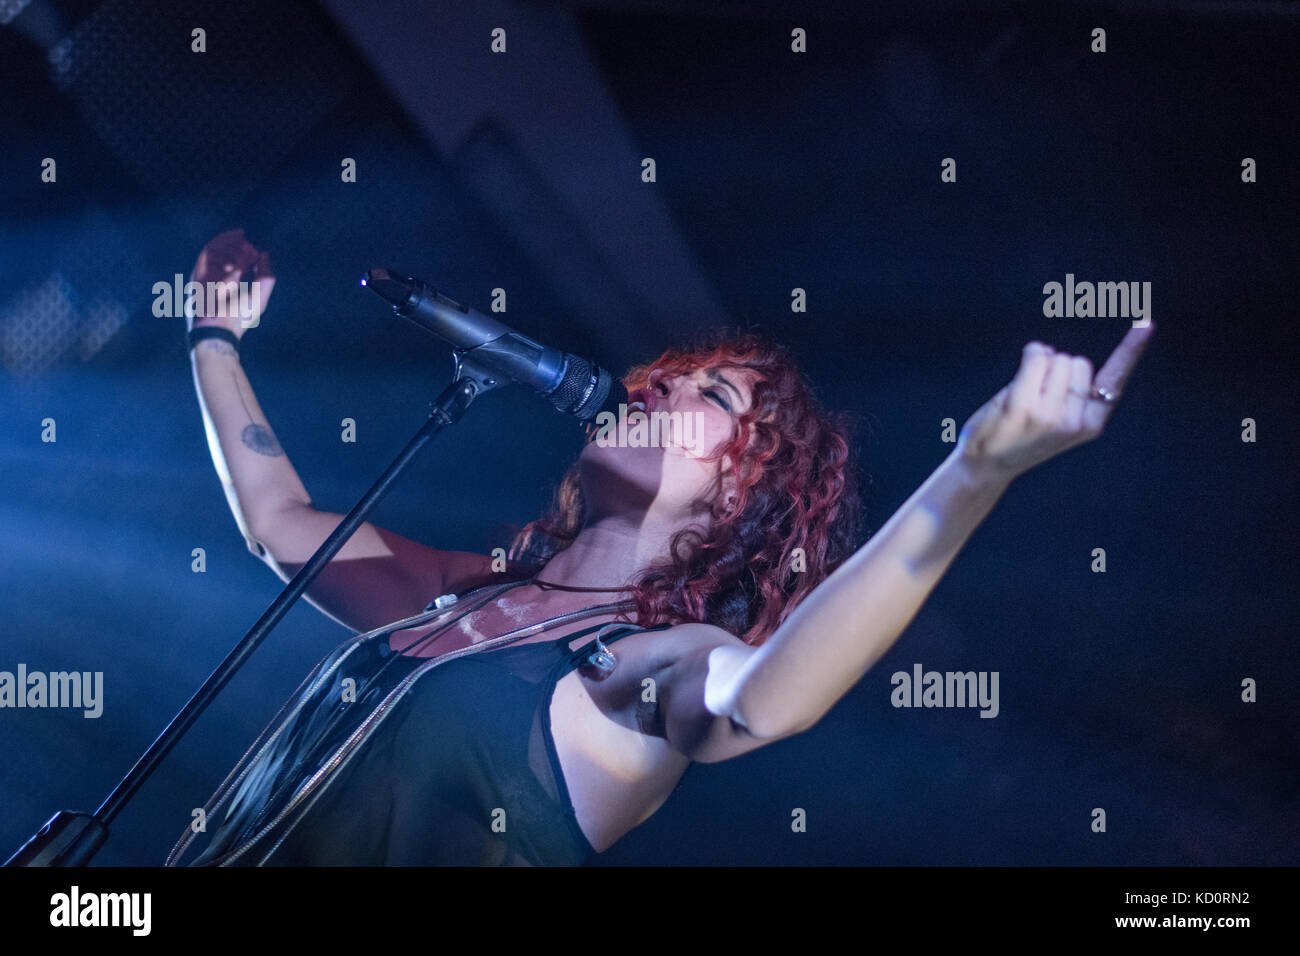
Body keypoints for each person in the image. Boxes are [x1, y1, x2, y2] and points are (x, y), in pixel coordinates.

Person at [167, 228, 1155, 866]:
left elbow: (768, 699)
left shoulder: (651, 660)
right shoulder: (469, 596)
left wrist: (971, 475)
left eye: (710, 395)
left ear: (741, 491)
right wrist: (213, 335)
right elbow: (279, 524)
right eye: (667, 376)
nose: (655, 388)